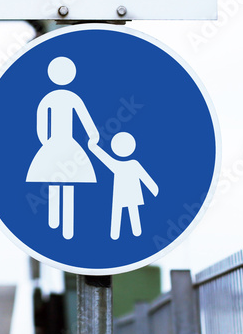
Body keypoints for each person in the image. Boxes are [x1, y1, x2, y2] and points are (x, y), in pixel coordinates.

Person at [26, 56, 99, 240]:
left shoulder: (51, 98)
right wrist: (93, 135)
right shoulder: (67, 97)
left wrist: (46, 143)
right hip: (64, 144)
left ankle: (59, 224)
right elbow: (85, 120)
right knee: (66, 180)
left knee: (58, 180)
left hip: (56, 144)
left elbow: (41, 126)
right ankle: (60, 226)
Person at [87, 132, 159, 239]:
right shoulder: (130, 164)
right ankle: (121, 235)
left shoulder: (122, 165)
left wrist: (93, 147)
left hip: (125, 194)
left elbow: (145, 177)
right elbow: (146, 178)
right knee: (125, 212)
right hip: (124, 194)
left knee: (124, 212)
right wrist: (154, 189)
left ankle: (122, 235)